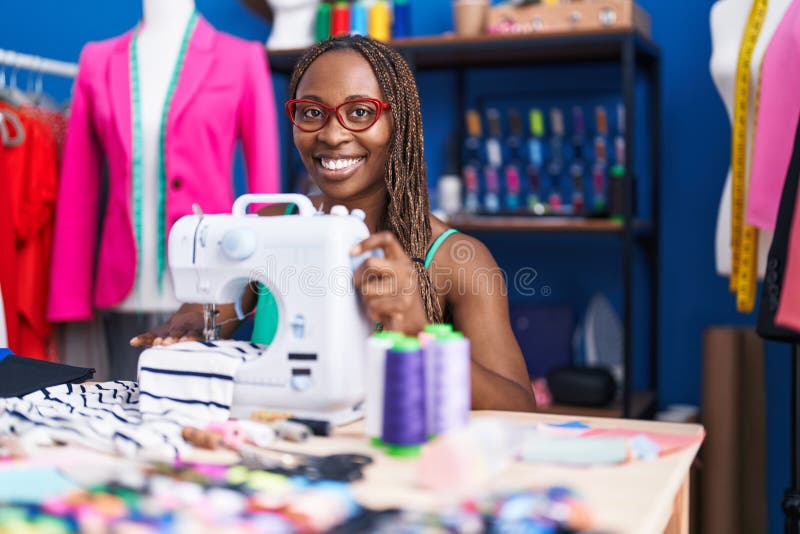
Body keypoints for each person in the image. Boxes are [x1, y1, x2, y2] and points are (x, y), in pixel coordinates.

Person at [131, 35, 537, 412]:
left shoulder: (456, 259)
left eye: (359, 112)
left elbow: (520, 409)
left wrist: (417, 334)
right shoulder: (270, 227)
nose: (331, 134)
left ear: (400, 123)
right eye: (311, 112)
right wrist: (186, 330)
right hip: (279, 454)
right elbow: (206, 311)